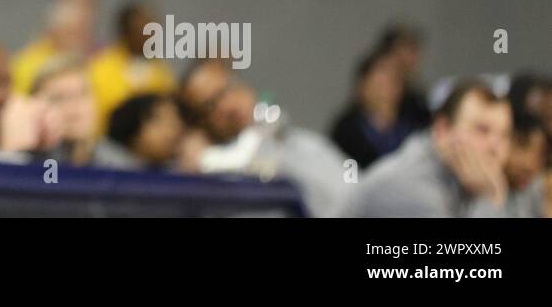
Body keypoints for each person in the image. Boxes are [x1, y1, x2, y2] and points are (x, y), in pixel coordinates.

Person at [181, 60, 346, 218]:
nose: (228, 106)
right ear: (198, 125)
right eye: (211, 105)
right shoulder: (213, 181)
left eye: (227, 90)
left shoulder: (306, 142)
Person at [340, 80, 513, 217]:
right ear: (442, 130)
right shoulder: (408, 184)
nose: (495, 147)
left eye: (505, 135)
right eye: (482, 130)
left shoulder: (469, 184)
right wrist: (488, 200)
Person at [87, 0, 176, 139]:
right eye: (143, 31)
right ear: (125, 33)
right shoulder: (100, 68)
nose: (151, 37)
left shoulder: (162, 73)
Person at [329, 48, 416, 170]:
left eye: (392, 84)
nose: (386, 93)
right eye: (379, 86)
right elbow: (347, 175)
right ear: (362, 87)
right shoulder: (346, 132)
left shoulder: (414, 126)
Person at [94, 92, 186, 170]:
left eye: (175, 120)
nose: (174, 130)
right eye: (160, 121)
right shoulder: (100, 166)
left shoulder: (182, 169)